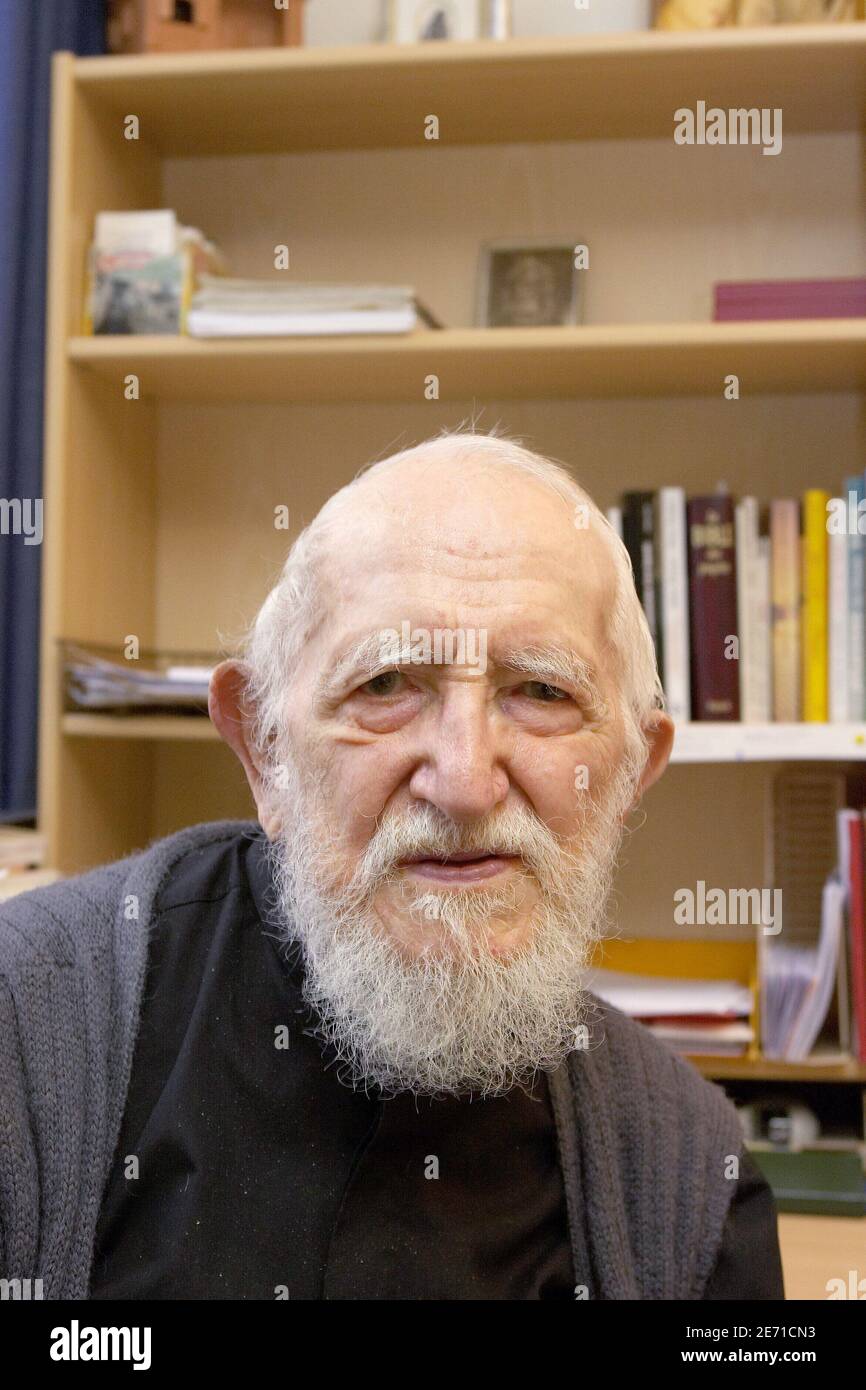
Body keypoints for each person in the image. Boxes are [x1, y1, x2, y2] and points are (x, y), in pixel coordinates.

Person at [0, 432, 784, 1300]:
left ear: (632, 771)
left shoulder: (686, 1180)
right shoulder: (22, 1040)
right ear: (263, 747)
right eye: (386, 686)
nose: (463, 782)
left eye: (542, 691)